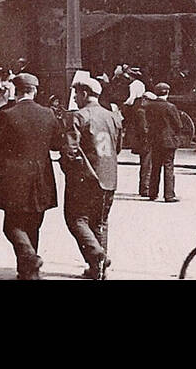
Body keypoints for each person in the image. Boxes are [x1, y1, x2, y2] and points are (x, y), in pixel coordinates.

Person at [0, 73, 59, 280]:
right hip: (41, 179)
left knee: (12, 225)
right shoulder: (48, 114)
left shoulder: (7, 114)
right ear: (35, 91)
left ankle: (29, 259)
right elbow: (56, 145)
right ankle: (29, 272)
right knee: (34, 224)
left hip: (14, 179)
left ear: (17, 90)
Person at [60, 75, 122, 279]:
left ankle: (97, 255)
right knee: (100, 223)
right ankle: (98, 269)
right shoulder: (113, 116)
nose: (75, 98)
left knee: (76, 219)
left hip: (85, 177)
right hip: (109, 176)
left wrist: (68, 169)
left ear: (84, 93)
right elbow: (118, 147)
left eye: (76, 93)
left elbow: (70, 150)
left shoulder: (78, 116)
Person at [143, 82, 184, 200]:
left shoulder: (150, 106)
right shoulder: (170, 107)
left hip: (155, 139)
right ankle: (169, 194)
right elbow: (178, 124)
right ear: (167, 92)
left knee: (155, 166)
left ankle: (152, 193)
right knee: (168, 166)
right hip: (169, 140)